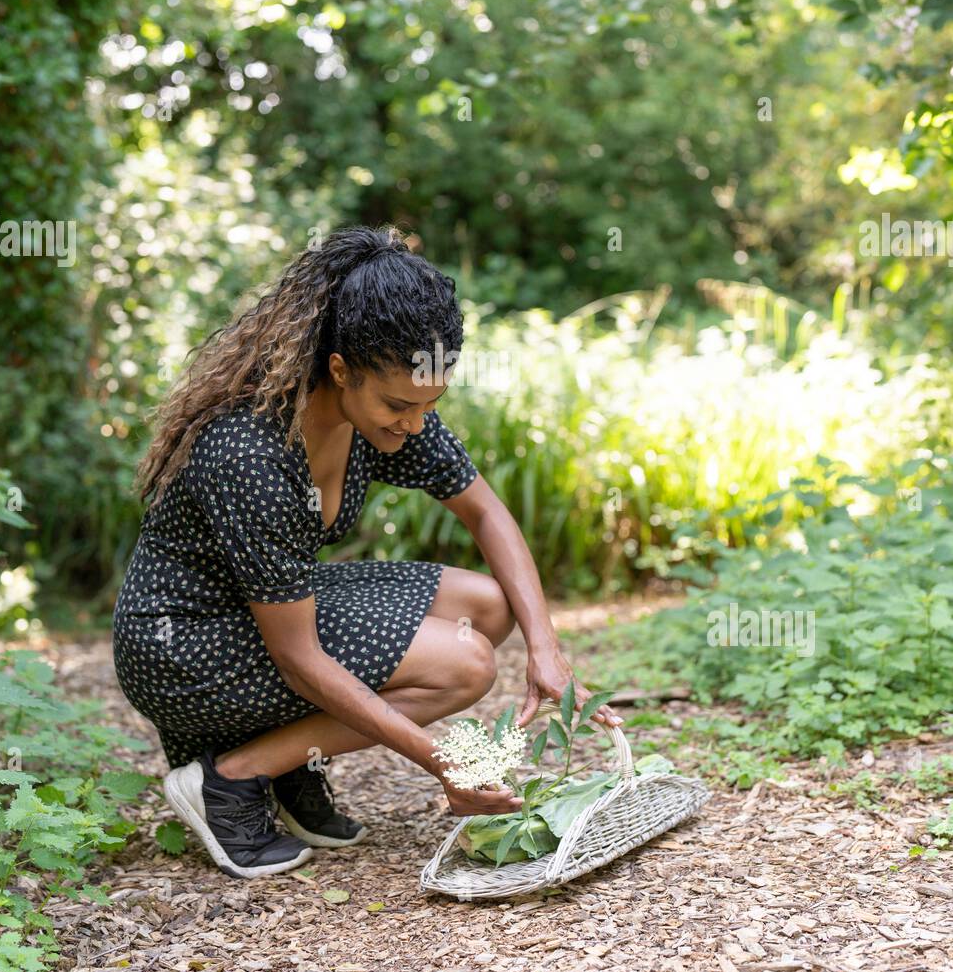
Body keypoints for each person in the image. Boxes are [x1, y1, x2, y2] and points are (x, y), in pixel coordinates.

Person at [112, 223, 623, 879]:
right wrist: (445, 763)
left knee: (487, 607)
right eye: (399, 406)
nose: (413, 423)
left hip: (261, 612)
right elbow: (296, 658)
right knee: (465, 664)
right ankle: (229, 778)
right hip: (184, 647)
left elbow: (485, 510)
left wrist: (546, 651)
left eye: (427, 404)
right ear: (338, 368)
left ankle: (287, 757)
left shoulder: (381, 403)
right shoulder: (249, 450)